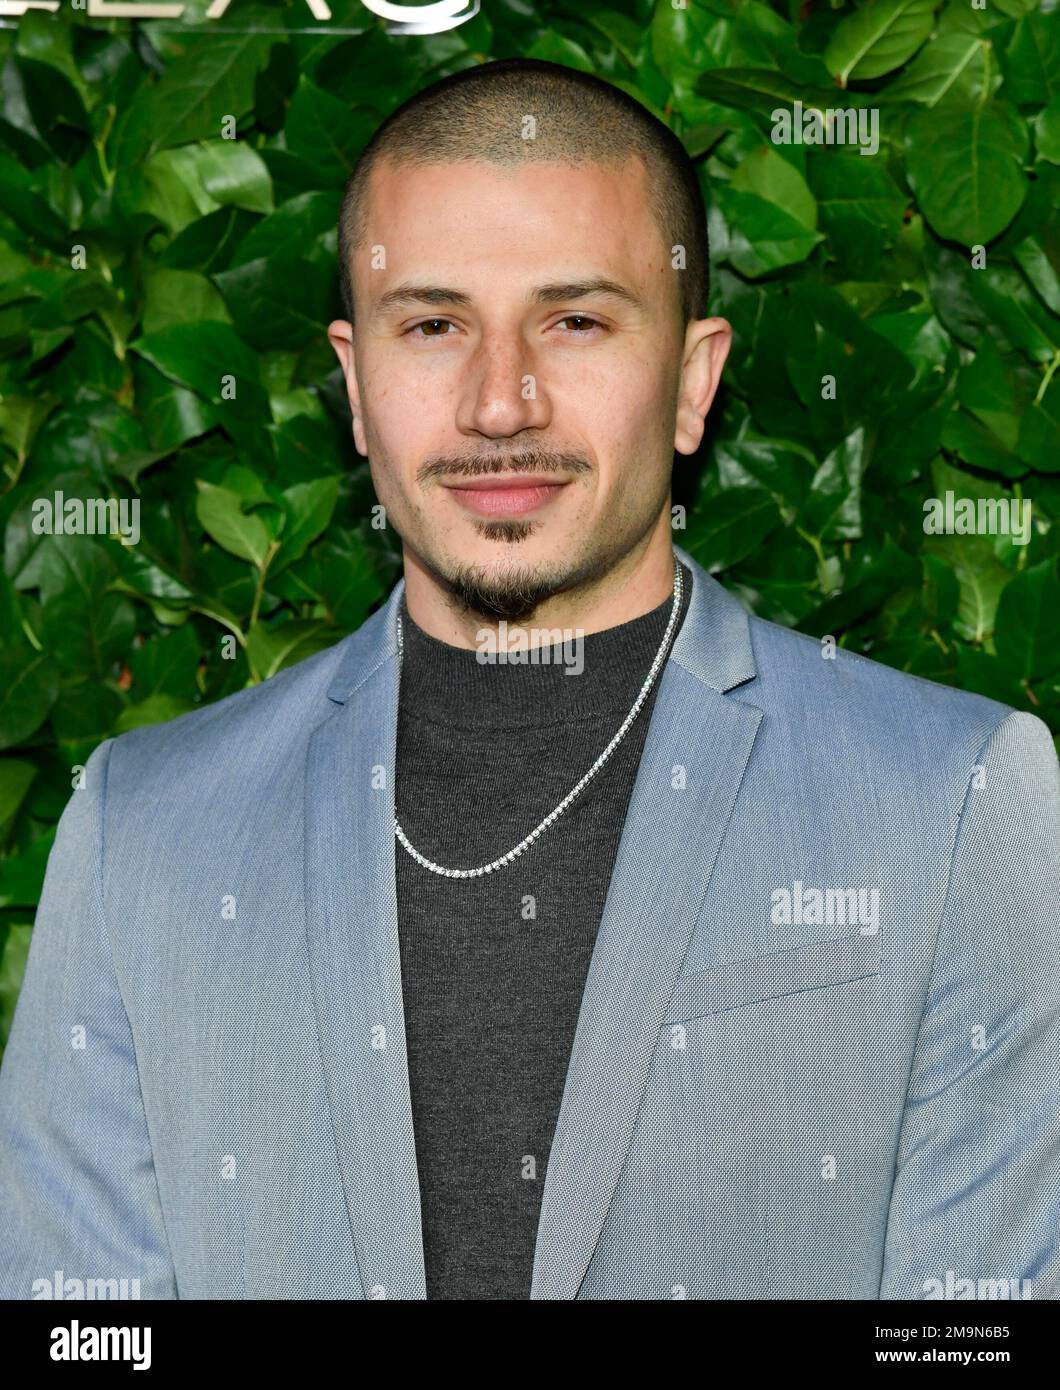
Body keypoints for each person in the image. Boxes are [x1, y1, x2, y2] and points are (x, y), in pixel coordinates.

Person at [1, 57, 1058, 1302]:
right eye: (434, 324)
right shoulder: (144, 828)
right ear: (354, 383)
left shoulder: (951, 802)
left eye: (575, 320)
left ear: (692, 381)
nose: (501, 403)